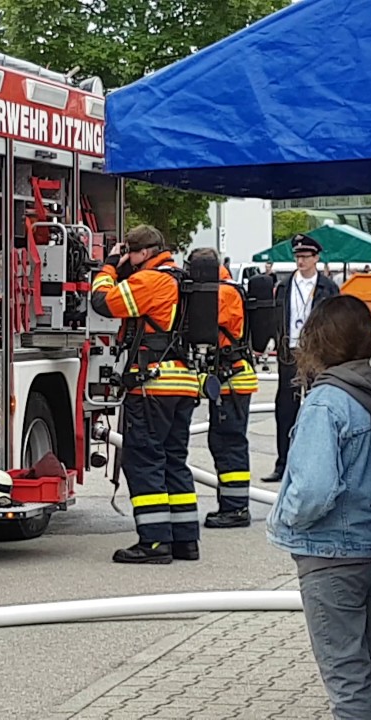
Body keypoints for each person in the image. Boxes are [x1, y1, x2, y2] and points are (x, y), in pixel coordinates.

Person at [268, 295, 371, 720]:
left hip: (329, 553)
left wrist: (288, 519)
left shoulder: (326, 402)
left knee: (345, 675)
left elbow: (313, 489)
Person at [90, 225, 201, 564]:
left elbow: (104, 303)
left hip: (154, 385)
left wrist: (108, 268)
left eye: (131, 255)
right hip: (182, 381)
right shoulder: (181, 278)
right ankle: (185, 541)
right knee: (173, 460)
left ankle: (153, 543)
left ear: (142, 253)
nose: (130, 262)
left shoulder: (150, 281)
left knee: (144, 461)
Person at [188, 248, 258, 529]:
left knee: (229, 444)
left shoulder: (222, 293)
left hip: (233, 379)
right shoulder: (224, 288)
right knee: (223, 442)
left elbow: (201, 322)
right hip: (228, 378)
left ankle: (236, 508)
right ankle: (231, 504)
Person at [261, 234, 339, 483]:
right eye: (298, 257)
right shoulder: (284, 286)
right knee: (286, 408)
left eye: (306, 256)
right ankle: (283, 463)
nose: (301, 261)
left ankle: (320, 464)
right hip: (290, 352)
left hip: (316, 352)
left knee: (319, 406)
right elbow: (276, 316)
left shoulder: (327, 287)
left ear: (316, 258)